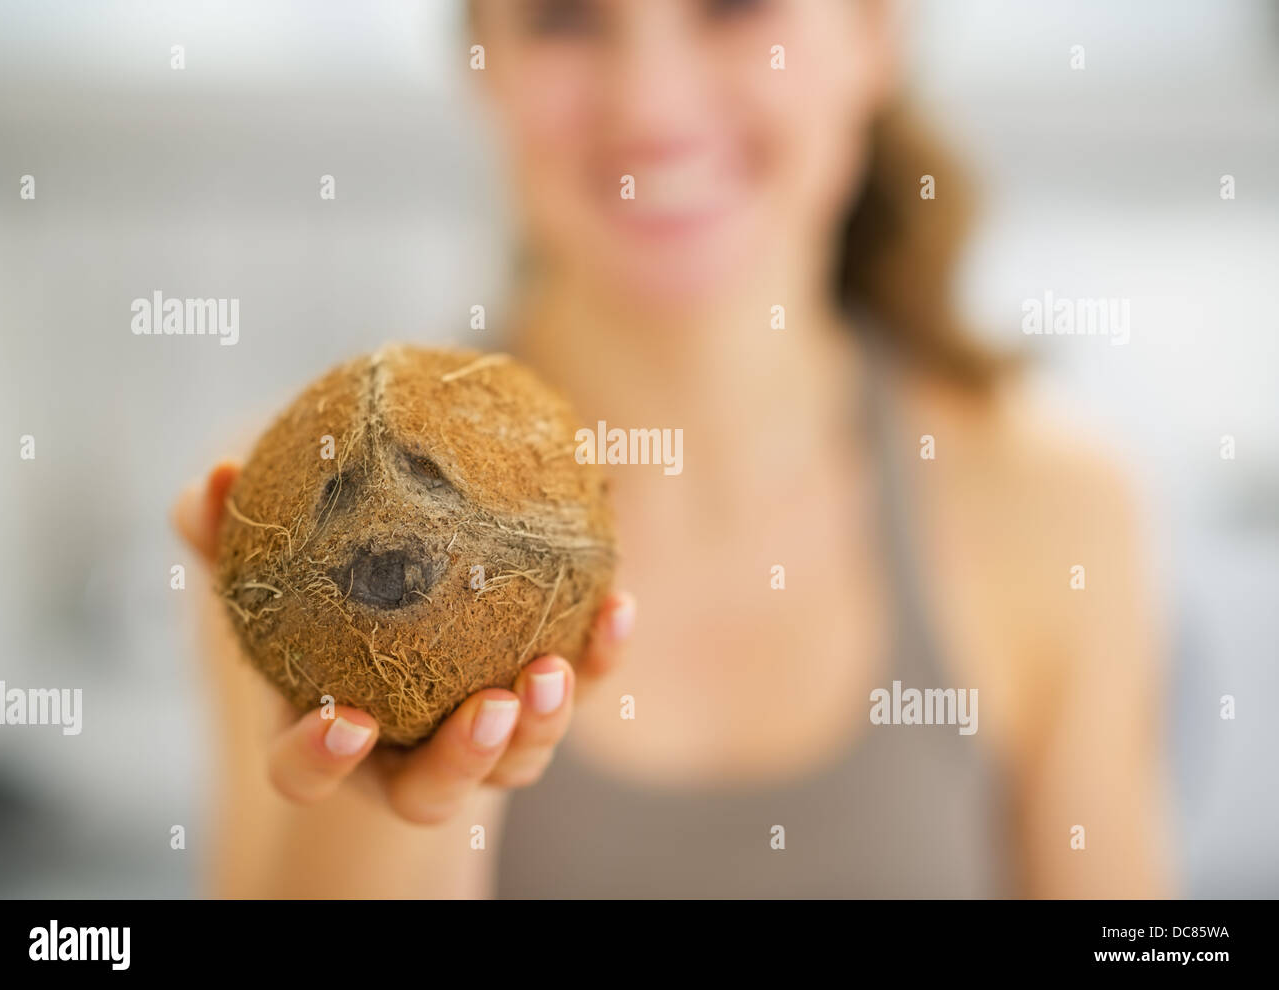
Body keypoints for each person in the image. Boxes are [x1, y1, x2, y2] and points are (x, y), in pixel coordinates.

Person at [173, 0, 1173, 897]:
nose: (650, 105)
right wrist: (391, 807)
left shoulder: (1055, 505)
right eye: (564, 18)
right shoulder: (304, 520)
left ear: (875, 32)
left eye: (734, 8)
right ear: (482, 59)